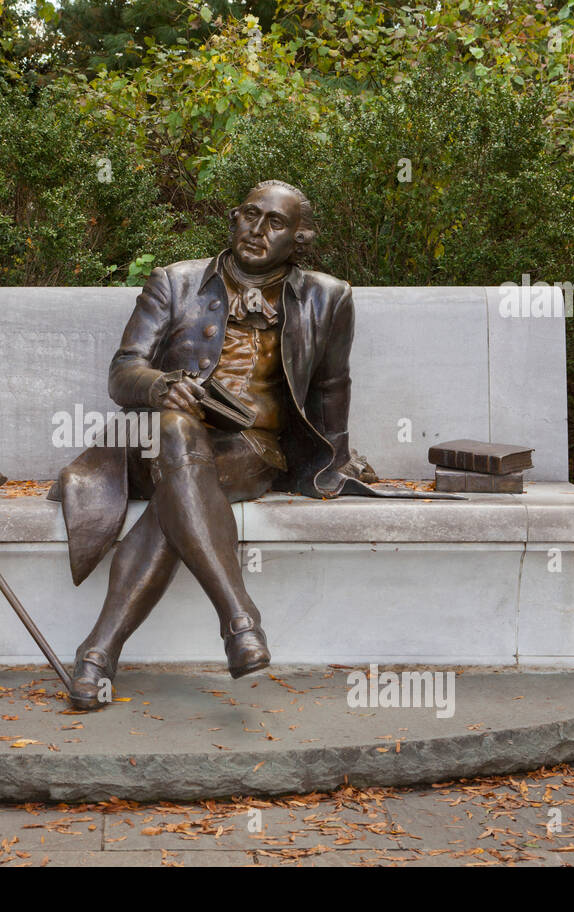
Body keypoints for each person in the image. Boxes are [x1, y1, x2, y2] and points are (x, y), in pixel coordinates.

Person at [51, 180, 356, 711]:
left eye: (275, 223)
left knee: (180, 497)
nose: (256, 230)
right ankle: (239, 617)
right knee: (174, 430)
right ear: (234, 219)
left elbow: (331, 386)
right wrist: (162, 386)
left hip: (250, 454)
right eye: (248, 215)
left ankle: (98, 652)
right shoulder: (176, 282)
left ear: (299, 237)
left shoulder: (329, 297)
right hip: (154, 446)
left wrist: (338, 459)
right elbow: (124, 372)